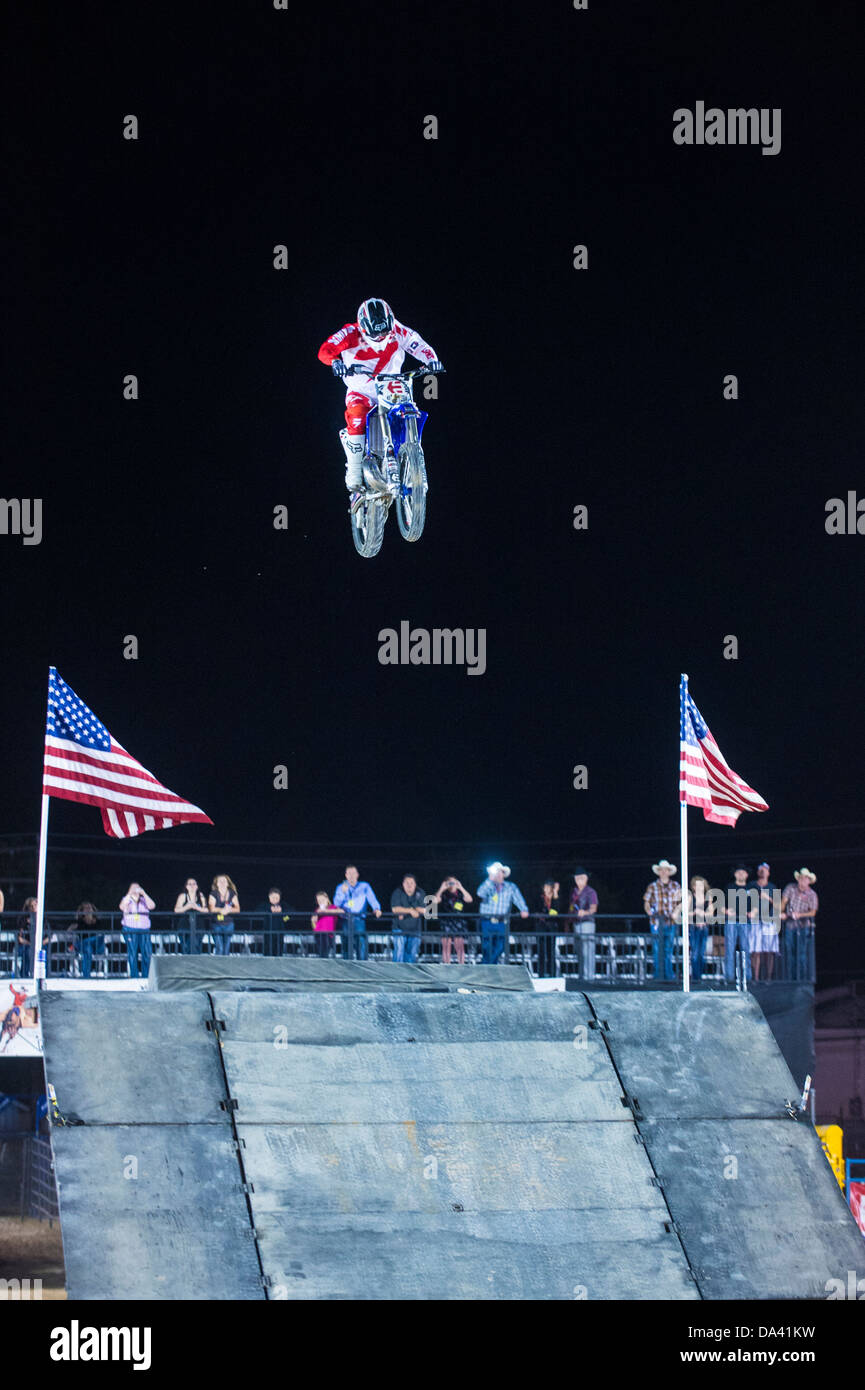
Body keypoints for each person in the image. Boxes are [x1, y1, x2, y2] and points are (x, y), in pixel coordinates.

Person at [318, 298, 443, 494]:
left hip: (392, 386)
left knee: (410, 411)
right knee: (357, 417)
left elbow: (415, 342)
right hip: (361, 390)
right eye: (375, 334)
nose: (381, 337)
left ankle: (411, 459)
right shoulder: (350, 333)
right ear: (363, 327)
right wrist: (335, 362)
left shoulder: (396, 329)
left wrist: (432, 360)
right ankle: (354, 471)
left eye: (385, 331)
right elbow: (326, 349)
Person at [476, 862, 529, 965]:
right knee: (486, 947)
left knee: (500, 946)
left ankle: (486, 966)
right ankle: (489, 967)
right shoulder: (488, 885)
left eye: (500, 872)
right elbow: (480, 893)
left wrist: (524, 909)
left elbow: (518, 899)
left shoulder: (511, 887)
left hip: (501, 922)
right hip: (487, 921)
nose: (498, 874)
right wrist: (490, 879)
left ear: (504, 874)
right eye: (496, 872)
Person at [643, 860, 681, 982]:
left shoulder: (676, 886)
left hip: (670, 922)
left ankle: (668, 976)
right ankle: (658, 976)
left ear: (669, 872)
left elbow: (681, 903)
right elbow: (647, 902)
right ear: (658, 872)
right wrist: (648, 910)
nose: (664, 872)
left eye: (666, 870)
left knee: (668, 950)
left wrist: (676, 912)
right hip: (656, 922)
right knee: (656, 950)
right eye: (662, 870)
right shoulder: (652, 886)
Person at [333, 866, 381, 961]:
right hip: (345, 920)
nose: (351, 876)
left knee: (361, 944)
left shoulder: (364, 886)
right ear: (346, 875)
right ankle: (346, 968)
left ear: (357, 875)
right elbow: (336, 903)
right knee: (346, 945)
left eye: (353, 873)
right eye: (349, 873)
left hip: (359, 919)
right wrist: (343, 892)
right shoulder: (340, 887)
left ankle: (362, 967)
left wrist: (376, 908)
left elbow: (372, 898)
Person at [780, 868, 818, 982]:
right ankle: (791, 979)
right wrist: (781, 913)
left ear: (809, 880)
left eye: (805, 878)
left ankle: (802, 979)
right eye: (801, 877)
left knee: (801, 953)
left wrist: (800, 915)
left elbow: (813, 912)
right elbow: (783, 902)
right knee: (789, 952)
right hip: (790, 925)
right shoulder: (790, 888)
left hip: (803, 926)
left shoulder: (812, 894)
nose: (803, 880)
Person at [749, 862, 780, 981]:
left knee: (769, 951)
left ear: (769, 872)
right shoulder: (752, 885)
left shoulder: (772, 886)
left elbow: (778, 904)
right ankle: (755, 978)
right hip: (755, 921)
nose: (763, 871)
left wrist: (768, 898)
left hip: (769, 921)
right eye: (761, 869)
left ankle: (768, 978)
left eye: (765, 870)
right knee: (755, 951)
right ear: (757, 872)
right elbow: (744, 902)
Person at [119, 883, 155, 979]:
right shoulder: (126, 899)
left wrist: (144, 893)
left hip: (144, 929)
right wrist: (129, 893)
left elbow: (152, 906)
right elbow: (122, 907)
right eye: (133, 888)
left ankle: (146, 976)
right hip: (130, 929)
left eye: (137, 888)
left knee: (146, 953)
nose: (136, 890)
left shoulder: (144, 900)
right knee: (132, 952)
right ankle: (134, 976)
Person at [724, 863, 752, 984]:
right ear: (735, 874)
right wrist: (726, 911)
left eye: (743, 872)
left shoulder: (751, 888)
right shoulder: (729, 887)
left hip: (745, 922)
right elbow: (719, 905)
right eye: (738, 872)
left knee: (746, 949)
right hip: (731, 921)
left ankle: (747, 977)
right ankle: (729, 977)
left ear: (746, 875)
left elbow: (756, 906)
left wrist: (752, 912)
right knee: (729, 949)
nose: (741, 873)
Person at [434, 877, 471, 964]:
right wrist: (441, 888)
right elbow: (434, 901)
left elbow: (469, 899)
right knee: (446, 946)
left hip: (459, 922)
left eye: (453, 882)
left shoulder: (461, 894)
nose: (452, 884)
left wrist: (461, 887)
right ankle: (447, 965)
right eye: (449, 883)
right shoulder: (443, 894)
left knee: (460, 946)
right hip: (446, 921)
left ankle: (461, 965)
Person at [390, 874, 427, 964]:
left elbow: (425, 910)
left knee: (412, 956)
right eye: (407, 883)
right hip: (399, 929)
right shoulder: (397, 892)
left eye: (411, 883)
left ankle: (409, 977)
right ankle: (396, 977)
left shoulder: (420, 892)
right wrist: (410, 911)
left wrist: (404, 911)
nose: (409, 885)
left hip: (415, 930)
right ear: (403, 884)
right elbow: (395, 909)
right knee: (398, 954)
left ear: (415, 885)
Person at [570, 868, 598, 980]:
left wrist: (585, 912)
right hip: (576, 923)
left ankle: (589, 977)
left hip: (587, 923)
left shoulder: (591, 892)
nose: (579, 880)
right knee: (580, 951)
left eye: (581, 878)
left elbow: (593, 908)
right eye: (577, 878)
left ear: (586, 878)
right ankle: (582, 976)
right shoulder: (574, 892)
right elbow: (571, 906)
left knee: (588, 951)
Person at [173, 878, 209, 954]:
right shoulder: (183, 896)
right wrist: (187, 907)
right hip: (184, 926)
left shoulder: (201, 896)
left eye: (194, 884)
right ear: (186, 886)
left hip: (198, 926)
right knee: (185, 947)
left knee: (197, 947)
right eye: (190, 884)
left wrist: (196, 907)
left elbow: (206, 910)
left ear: (197, 886)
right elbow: (176, 910)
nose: (192, 886)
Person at [687, 876, 712, 982]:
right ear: (693, 887)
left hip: (704, 927)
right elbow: (686, 912)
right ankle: (695, 978)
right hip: (694, 927)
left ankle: (699, 977)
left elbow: (711, 912)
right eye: (696, 885)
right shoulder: (690, 898)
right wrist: (695, 913)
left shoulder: (708, 898)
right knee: (695, 954)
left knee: (701, 954)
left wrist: (703, 913)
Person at [208, 875, 240, 956]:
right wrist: (221, 910)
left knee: (226, 948)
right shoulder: (213, 893)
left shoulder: (232, 893)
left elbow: (237, 909)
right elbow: (211, 908)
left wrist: (228, 910)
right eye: (220, 881)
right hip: (216, 923)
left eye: (224, 881)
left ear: (228, 883)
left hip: (228, 923)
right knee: (219, 947)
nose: (222, 883)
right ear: (217, 884)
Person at [534, 881, 560, 978]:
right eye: (545, 886)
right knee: (541, 951)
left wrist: (556, 892)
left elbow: (556, 910)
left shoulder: (555, 898)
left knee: (551, 952)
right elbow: (536, 909)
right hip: (541, 926)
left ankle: (552, 975)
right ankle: (541, 975)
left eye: (549, 887)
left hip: (551, 927)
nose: (547, 888)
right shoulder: (540, 898)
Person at [256, 887, 291, 957]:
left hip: (280, 933)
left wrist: (283, 915)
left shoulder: (283, 905)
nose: (275, 899)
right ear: (269, 897)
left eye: (276, 898)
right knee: (267, 953)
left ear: (280, 898)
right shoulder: (265, 905)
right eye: (273, 897)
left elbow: (291, 915)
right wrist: (269, 910)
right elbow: (257, 912)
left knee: (278, 953)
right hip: (268, 932)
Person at [73, 902, 105, 980]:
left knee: (99, 938)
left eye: (89, 908)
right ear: (82, 911)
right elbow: (70, 933)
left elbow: (102, 934)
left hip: (97, 944)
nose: (88, 909)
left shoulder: (98, 921)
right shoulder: (79, 922)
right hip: (85, 945)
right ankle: (86, 976)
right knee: (87, 948)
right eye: (86, 908)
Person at [310, 892, 342, 959]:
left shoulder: (333, 907)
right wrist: (313, 921)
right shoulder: (317, 910)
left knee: (326, 952)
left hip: (328, 934)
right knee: (321, 953)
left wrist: (326, 911)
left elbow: (341, 911)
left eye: (322, 899)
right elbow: (314, 925)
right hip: (318, 933)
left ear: (327, 899)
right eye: (319, 901)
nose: (321, 902)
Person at [15, 898, 37, 978]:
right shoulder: (24, 920)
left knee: (43, 952)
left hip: (39, 944)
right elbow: (20, 938)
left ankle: (42, 975)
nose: (34, 908)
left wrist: (39, 944)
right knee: (28, 951)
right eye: (32, 906)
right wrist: (29, 943)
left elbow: (48, 935)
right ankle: (25, 975)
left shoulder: (42, 918)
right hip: (26, 944)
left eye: (35, 905)